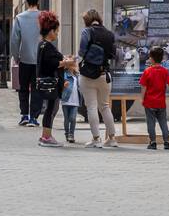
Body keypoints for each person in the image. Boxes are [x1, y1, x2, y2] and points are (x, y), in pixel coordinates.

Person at [77, 9, 117, 148]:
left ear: (87, 20)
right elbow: (113, 55)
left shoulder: (87, 32)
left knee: (92, 107)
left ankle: (96, 139)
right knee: (105, 106)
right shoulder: (109, 34)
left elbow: (81, 53)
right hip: (104, 75)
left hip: (88, 75)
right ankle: (112, 138)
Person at [35, 11, 76, 148]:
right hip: (51, 83)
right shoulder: (47, 46)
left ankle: (46, 135)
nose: (57, 33)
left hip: (49, 82)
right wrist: (67, 63)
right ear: (51, 30)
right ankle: (46, 136)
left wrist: (63, 59)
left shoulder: (43, 45)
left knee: (51, 109)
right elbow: (52, 64)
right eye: (56, 31)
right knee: (51, 109)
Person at [10, 0, 43, 128]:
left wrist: (16, 56)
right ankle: (34, 117)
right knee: (37, 88)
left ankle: (24, 115)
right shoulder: (44, 17)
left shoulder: (19, 17)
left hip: (24, 58)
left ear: (26, 1)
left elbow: (14, 40)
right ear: (38, 1)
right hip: (40, 59)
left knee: (23, 88)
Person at [139, 46, 169, 150]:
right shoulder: (165, 71)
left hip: (149, 103)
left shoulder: (147, 71)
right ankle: (167, 142)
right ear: (162, 58)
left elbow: (143, 86)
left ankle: (153, 142)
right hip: (161, 103)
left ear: (151, 58)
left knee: (151, 123)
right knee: (163, 122)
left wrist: (142, 98)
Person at [60, 55, 82, 144]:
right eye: (72, 64)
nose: (74, 65)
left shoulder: (77, 75)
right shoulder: (64, 74)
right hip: (66, 99)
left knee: (72, 118)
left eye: (74, 64)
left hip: (75, 100)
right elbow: (61, 82)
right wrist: (63, 84)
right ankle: (67, 133)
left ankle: (71, 134)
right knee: (67, 118)